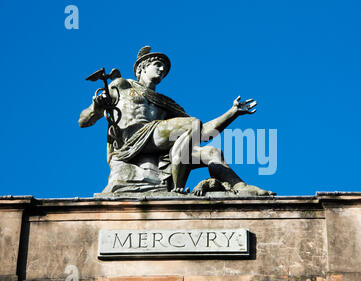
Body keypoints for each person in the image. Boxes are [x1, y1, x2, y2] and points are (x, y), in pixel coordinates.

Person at [79, 46, 274, 196]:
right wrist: (97, 106)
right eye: (158, 65)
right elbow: (84, 120)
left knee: (212, 152)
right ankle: (177, 187)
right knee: (191, 124)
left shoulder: (165, 103)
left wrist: (232, 112)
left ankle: (241, 187)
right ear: (142, 67)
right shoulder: (122, 85)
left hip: (158, 143)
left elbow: (203, 132)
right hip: (131, 138)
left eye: (164, 67)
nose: (162, 69)